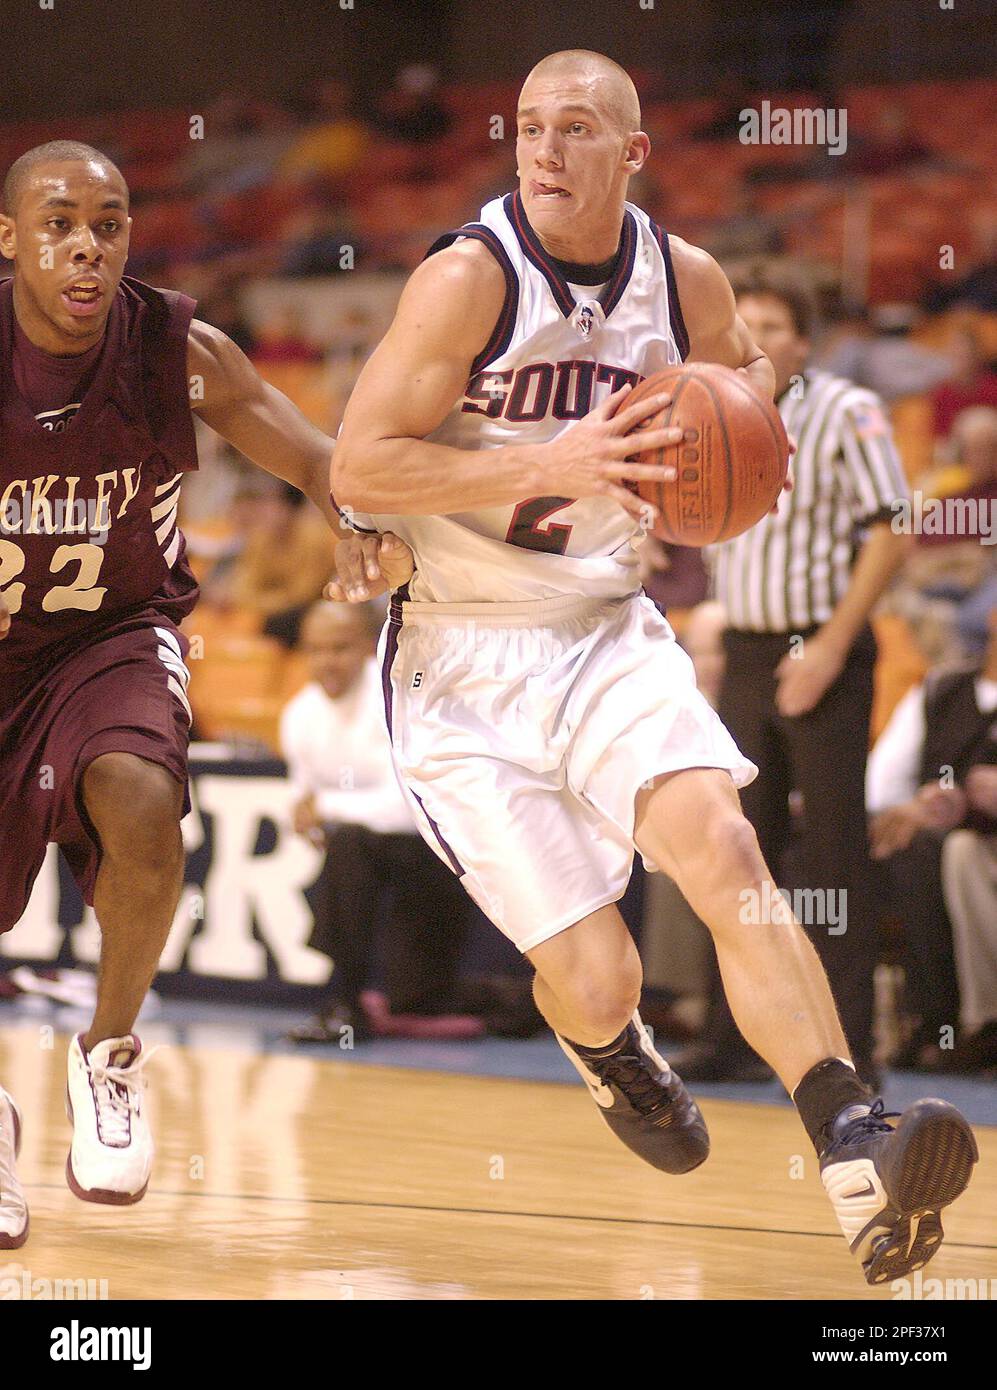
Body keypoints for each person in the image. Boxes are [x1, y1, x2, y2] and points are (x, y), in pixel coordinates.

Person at [327, 51, 977, 1286]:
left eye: (576, 129)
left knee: (725, 852)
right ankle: (606, 1044)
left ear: (631, 154)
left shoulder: (680, 275)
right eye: (527, 127)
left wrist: (714, 426)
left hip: (608, 631)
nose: (543, 150)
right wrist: (547, 464)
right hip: (461, 666)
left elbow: (750, 373)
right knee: (595, 973)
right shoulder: (470, 277)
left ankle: (856, 1143)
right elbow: (361, 464)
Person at [0, 139, 352, 1246]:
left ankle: (107, 1055)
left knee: (142, 797)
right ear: (9, 239)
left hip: (112, 633)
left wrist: (368, 522)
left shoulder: (172, 349)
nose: (85, 248)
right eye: (58, 223)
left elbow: (313, 455)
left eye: (107, 224)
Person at [672, 259, 913, 1086]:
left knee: (832, 860)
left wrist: (834, 646)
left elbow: (895, 527)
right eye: (750, 325)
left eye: (775, 327)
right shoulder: (708, 407)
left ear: (803, 341)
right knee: (733, 847)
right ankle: (732, 1038)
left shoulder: (846, 410)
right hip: (742, 650)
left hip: (822, 645)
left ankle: (850, 1052)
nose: (761, 340)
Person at [280, 600, 475, 1042]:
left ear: (368, 647)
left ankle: (348, 999)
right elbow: (300, 803)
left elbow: (405, 810)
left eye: (339, 649)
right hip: (368, 858)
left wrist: (326, 809)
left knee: (351, 843)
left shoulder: (397, 699)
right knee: (350, 845)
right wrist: (316, 813)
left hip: (437, 856)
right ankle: (345, 999)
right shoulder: (299, 714)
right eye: (315, 650)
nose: (325, 662)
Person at [867, 607, 997, 1072]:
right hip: (939, 839)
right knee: (905, 845)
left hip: (979, 845)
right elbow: (882, 783)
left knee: (955, 852)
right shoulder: (941, 689)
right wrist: (917, 807)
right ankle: (929, 1023)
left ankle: (971, 1023)